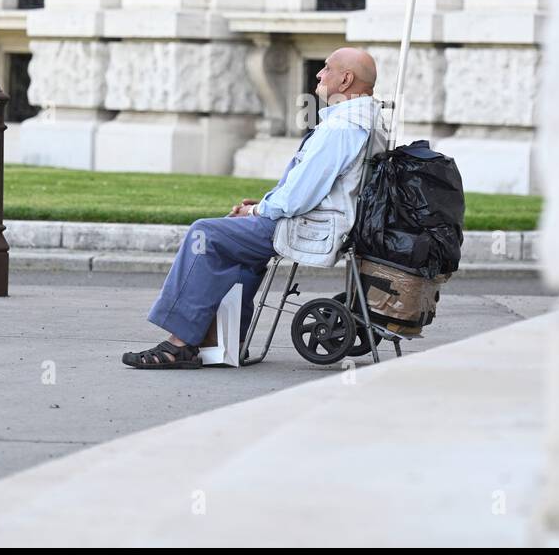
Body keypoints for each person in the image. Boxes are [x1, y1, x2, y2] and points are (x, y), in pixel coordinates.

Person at [121, 47, 383, 369]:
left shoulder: (342, 127)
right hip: (321, 222)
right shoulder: (365, 121)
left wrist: (257, 212)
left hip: (308, 225)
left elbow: (298, 197)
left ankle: (179, 344)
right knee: (231, 242)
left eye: (326, 68)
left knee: (205, 233)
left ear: (345, 79)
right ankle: (224, 344)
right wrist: (260, 206)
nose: (318, 74)